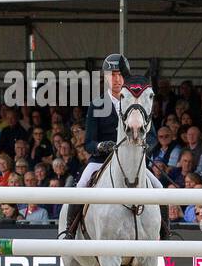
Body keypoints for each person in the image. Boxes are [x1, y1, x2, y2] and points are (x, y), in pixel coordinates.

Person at [63, 54, 169, 240]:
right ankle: (70, 233)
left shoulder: (138, 101)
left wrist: (143, 147)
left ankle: (166, 234)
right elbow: (88, 143)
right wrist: (102, 146)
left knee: (159, 187)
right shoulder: (97, 104)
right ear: (105, 77)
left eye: (120, 75)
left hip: (134, 163)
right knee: (80, 185)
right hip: (101, 160)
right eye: (112, 75)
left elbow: (152, 137)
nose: (117, 79)